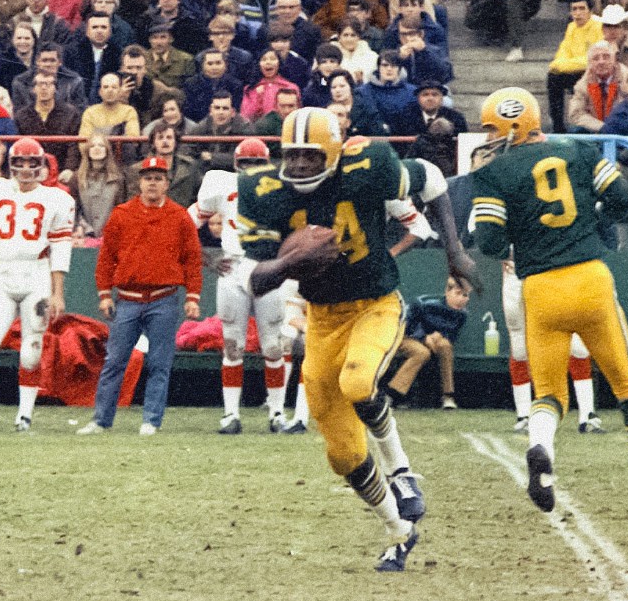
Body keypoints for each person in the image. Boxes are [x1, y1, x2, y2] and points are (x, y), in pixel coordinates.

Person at [467, 87, 628, 514]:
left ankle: (540, 447)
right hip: (590, 279)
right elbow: (625, 201)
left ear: (514, 127)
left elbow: (491, 243)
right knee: (627, 385)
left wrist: (527, 236)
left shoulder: (492, 174)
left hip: (540, 288)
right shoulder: (580, 151)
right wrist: (588, 222)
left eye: (493, 130)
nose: (489, 139)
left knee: (549, 393)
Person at [239, 109, 426, 568]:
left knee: (359, 383)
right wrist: (291, 262)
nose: (300, 164)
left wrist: (456, 252)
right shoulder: (265, 190)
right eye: (292, 155)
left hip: (375, 305)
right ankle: (398, 531)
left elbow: (435, 180)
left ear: (334, 152)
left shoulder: (367, 166)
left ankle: (402, 471)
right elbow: (255, 280)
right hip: (321, 320)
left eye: (310, 155)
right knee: (342, 455)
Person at [85, 153, 203, 439]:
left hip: (164, 298)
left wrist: (193, 296)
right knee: (115, 362)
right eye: (148, 178)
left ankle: (151, 419)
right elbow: (106, 257)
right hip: (128, 298)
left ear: (167, 183)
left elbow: (192, 259)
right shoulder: (122, 214)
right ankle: (101, 420)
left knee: (159, 363)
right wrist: (104, 294)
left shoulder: (179, 216)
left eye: (158, 179)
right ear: (139, 182)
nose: (152, 183)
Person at [0, 137, 74, 432]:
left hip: (37, 274)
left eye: (31, 163)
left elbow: (60, 247)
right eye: (20, 163)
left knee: (31, 351)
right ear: (11, 164)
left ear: (41, 165)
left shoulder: (57, 199)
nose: (25, 169)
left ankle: (24, 417)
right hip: (2, 275)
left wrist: (58, 292)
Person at [193, 137, 298, 433]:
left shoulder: (280, 188)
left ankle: (277, 413)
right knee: (232, 345)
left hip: (268, 266)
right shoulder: (222, 184)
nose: (251, 168)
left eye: (256, 163)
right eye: (246, 163)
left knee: (274, 345)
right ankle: (230, 414)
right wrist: (206, 258)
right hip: (234, 266)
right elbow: (188, 223)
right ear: (237, 165)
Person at [387, 274, 476, 407]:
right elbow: (405, 326)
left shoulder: (461, 315)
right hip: (404, 337)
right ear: (447, 292)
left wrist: (440, 335)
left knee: (445, 345)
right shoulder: (423, 304)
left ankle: (448, 396)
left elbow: (451, 335)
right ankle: (392, 395)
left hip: (432, 342)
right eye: (458, 293)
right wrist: (423, 337)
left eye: (465, 295)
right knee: (422, 353)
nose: (462, 299)